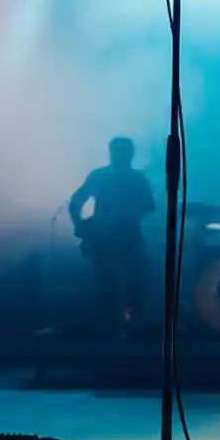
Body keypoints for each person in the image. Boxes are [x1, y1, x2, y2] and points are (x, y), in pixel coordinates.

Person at [69, 137, 155, 333]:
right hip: (119, 236)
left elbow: (76, 201)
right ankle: (119, 323)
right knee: (121, 280)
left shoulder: (106, 176)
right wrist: (81, 224)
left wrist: (81, 224)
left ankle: (116, 323)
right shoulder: (132, 178)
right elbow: (149, 207)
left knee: (123, 280)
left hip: (115, 236)